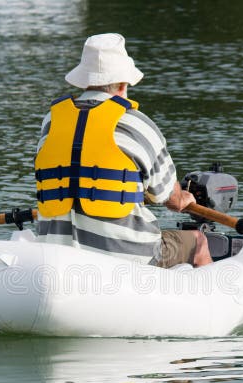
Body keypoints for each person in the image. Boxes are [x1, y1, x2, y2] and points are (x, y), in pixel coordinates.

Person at [35, 33, 212, 268]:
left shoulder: (51, 121)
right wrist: (183, 197)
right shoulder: (135, 123)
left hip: (56, 253)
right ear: (122, 84)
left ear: (84, 82)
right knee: (199, 243)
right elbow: (168, 196)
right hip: (126, 258)